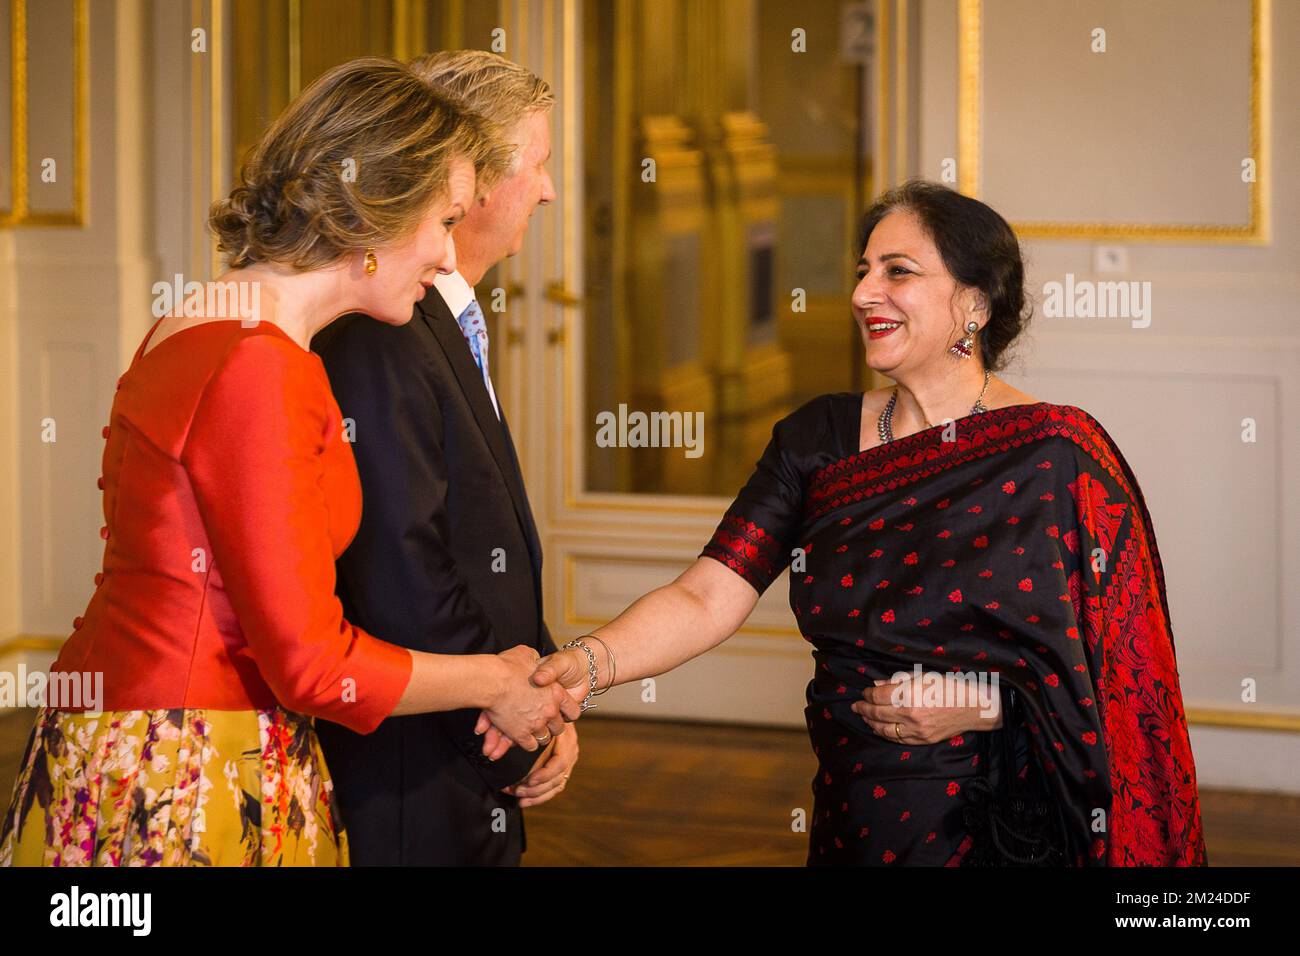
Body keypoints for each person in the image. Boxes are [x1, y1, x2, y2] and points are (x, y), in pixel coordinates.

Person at [0, 57, 578, 868]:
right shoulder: (260, 365)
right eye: (443, 222)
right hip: (187, 759)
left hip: (145, 728)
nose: (449, 257)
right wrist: (491, 679)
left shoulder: (208, 323)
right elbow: (312, 666)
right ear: (375, 215)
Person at [529, 180, 1207, 866]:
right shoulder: (816, 438)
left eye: (898, 272)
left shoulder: (1054, 453)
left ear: (974, 303)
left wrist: (988, 708)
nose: (862, 293)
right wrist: (587, 665)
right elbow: (706, 596)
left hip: (1004, 825)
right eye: (862, 272)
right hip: (857, 809)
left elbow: (1123, 677)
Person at [310, 51, 568, 867]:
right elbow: (398, 569)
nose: (550, 192)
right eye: (540, 166)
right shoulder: (380, 333)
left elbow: (484, 550)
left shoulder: (441, 320)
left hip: (471, 745)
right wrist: (511, 723)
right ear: (476, 180)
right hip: (410, 769)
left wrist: (547, 694)